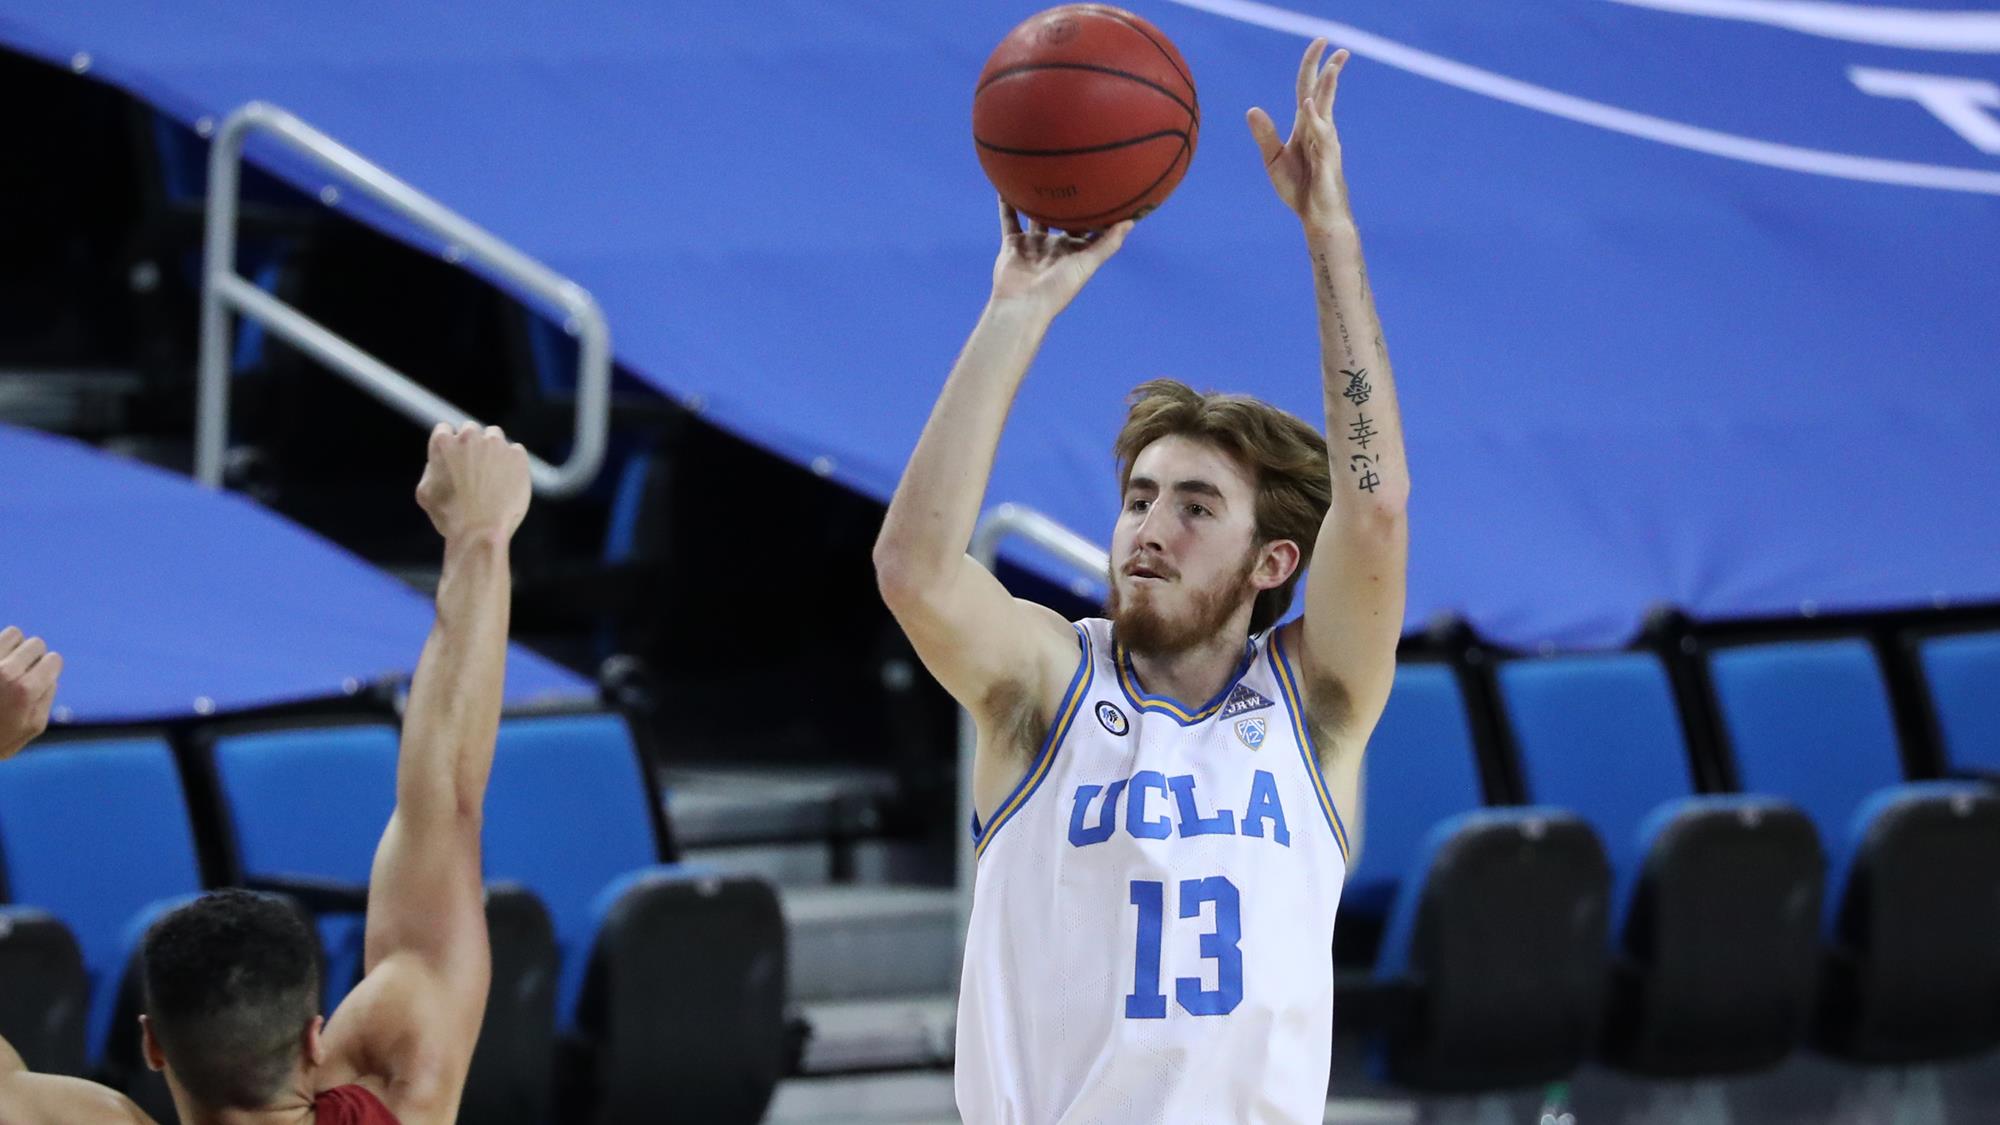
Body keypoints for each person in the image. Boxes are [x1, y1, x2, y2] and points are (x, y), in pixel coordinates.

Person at [875, 40, 1407, 1123]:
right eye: (1137, 498)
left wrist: (1330, 240)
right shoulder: (1045, 686)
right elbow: (916, 569)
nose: (1147, 530)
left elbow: (1375, 506)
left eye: (1193, 507)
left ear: (1273, 564)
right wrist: (1017, 308)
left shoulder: (1314, 709)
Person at [0, 421, 532, 1125]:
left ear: (152, 1044)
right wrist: (481, 536)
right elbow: (449, 799)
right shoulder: (405, 1095)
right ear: (317, 1038)